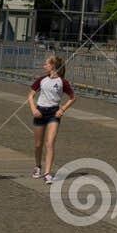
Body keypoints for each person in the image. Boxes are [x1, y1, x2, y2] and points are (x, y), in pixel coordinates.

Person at [28, 54, 77, 183]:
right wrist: (34, 110)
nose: (44, 65)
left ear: (53, 66)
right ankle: (38, 166)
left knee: (49, 143)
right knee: (38, 144)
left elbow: (73, 97)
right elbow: (30, 96)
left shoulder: (62, 82)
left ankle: (47, 173)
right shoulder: (41, 80)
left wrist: (62, 109)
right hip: (40, 111)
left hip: (53, 113)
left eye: (47, 63)